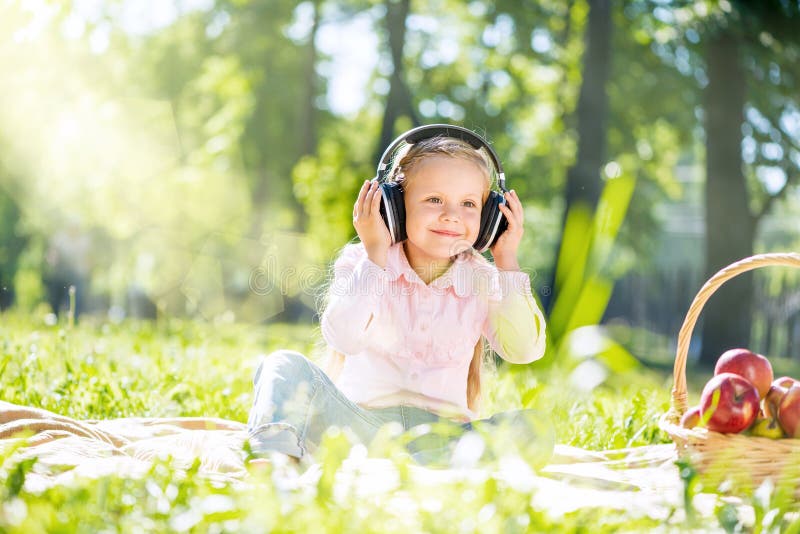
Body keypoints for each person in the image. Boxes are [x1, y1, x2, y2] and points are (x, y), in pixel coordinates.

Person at [247, 125, 549, 467]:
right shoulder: (363, 261)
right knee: (281, 365)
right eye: (434, 200)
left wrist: (507, 260)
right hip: (358, 430)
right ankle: (274, 464)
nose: (451, 215)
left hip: (444, 439)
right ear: (395, 206)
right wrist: (375, 254)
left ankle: (422, 471)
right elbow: (344, 338)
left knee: (534, 427)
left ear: (490, 217)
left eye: (468, 204)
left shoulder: (483, 279)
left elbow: (524, 351)